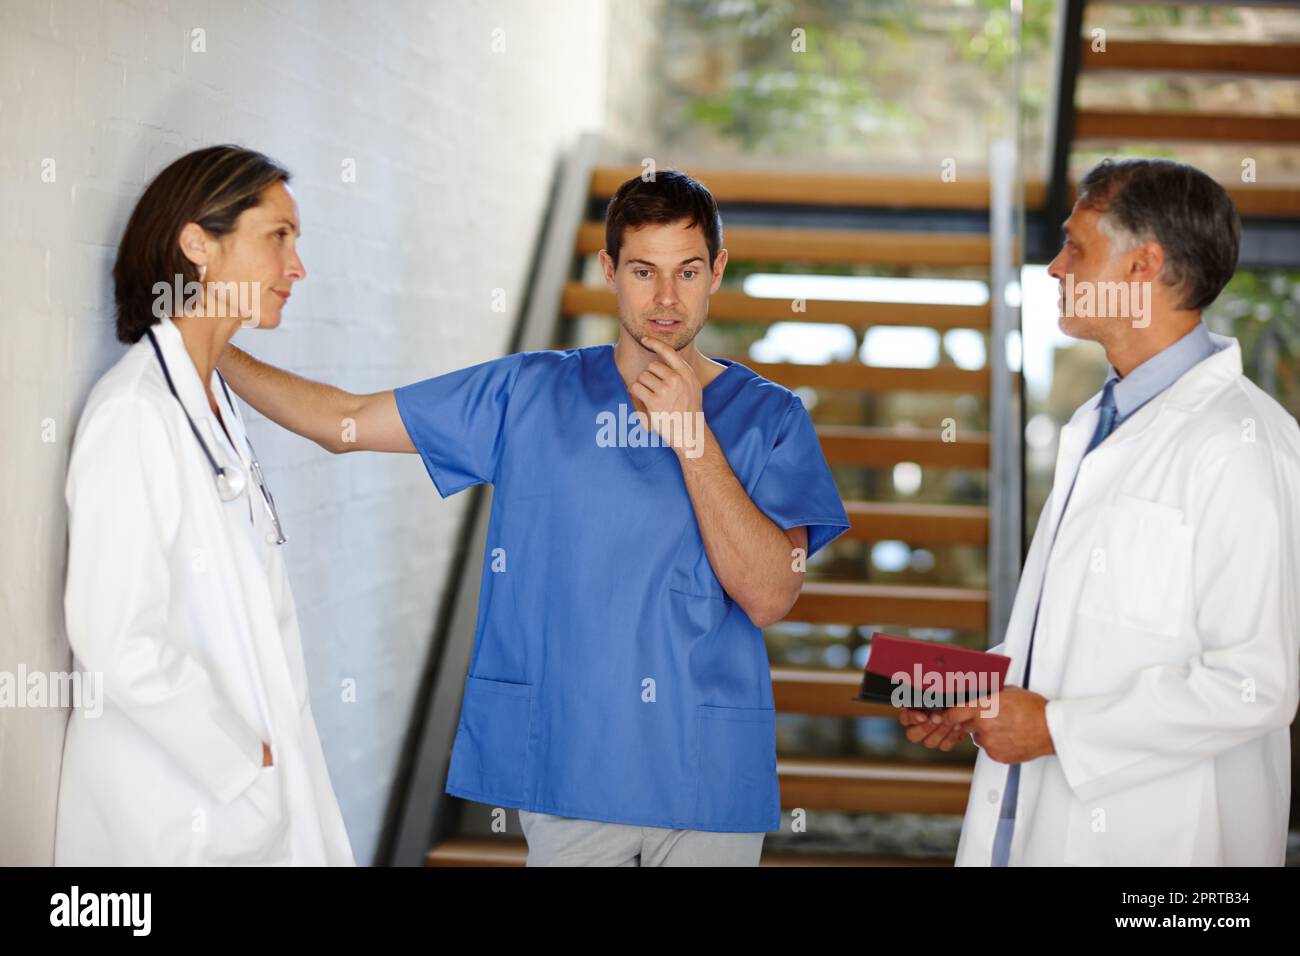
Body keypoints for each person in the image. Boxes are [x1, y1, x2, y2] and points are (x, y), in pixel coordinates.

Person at [217, 170, 852, 866]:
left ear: (717, 271)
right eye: (644, 271)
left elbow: (768, 594)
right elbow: (343, 421)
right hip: (568, 761)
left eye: (687, 271)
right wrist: (207, 345)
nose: (667, 299)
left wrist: (691, 438)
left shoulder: (771, 418)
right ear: (609, 270)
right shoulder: (528, 393)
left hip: (707, 773)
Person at [901, 158, 1300, 866]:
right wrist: (960, 690)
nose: (1054, 268)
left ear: (1144, 267)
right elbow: (1082, 639)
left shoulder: (1241, 442)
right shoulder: (1098, 421)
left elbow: (1256, 683)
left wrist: (1056, 728)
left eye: (1075, 248)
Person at [56, 145, 354, 865]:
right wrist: (243, 758)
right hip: (177, 812)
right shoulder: (134, 413)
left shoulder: (212, 401)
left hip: (245, 807)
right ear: (198, 244)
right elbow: (116, 638)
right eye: (277, 236)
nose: (297, 267)